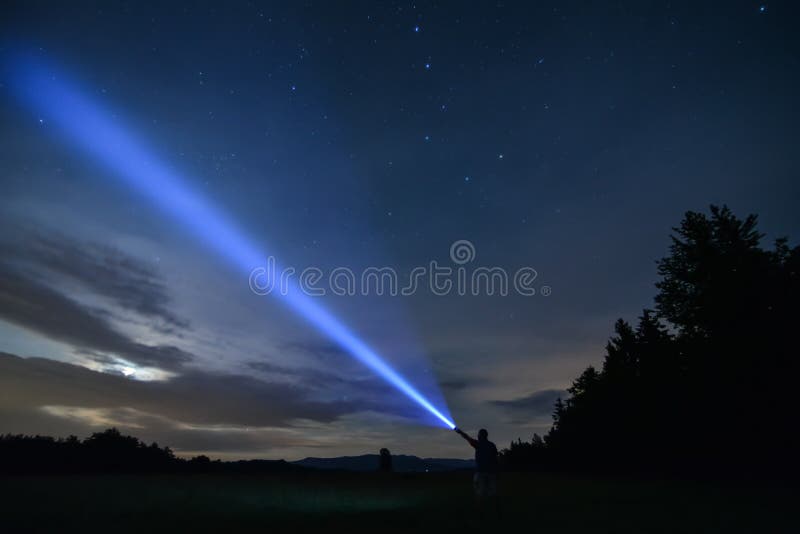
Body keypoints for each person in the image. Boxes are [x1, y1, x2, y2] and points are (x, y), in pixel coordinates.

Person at [454, 427, 499, 515]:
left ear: (481, 436)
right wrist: (497, 471)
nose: (477, 436)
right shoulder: (492, 445)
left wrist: (459, 431)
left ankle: (480, 512)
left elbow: (467, 437)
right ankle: (494, 511)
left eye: (478, 434)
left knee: (480, 493)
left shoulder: (478, 444)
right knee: (492, 493)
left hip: (481, 472)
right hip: (491, 473)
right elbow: (496, 459)